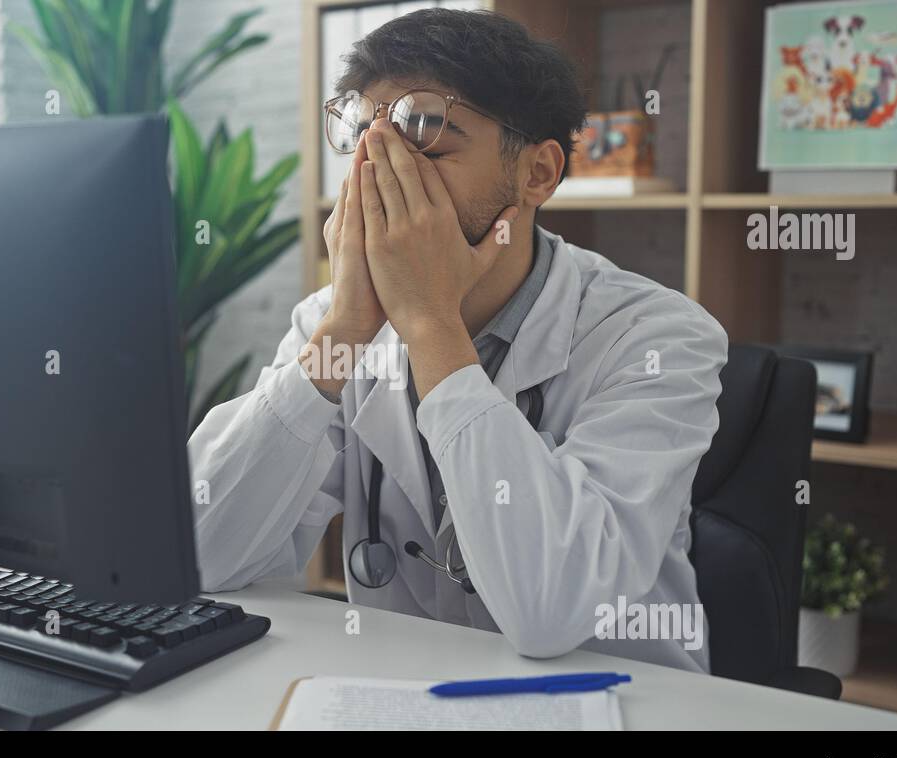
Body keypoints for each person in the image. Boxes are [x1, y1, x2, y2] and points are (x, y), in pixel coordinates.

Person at [188, 8, 728, 672]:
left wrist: (432, 328)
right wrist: (346, 330)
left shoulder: (658, 336)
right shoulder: (334, 326)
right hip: (405, 698)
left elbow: (551, 608)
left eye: (424, 135)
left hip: (617, 699)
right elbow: (200, 554)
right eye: (365, 138)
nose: (379, 174)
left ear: (538, 173)